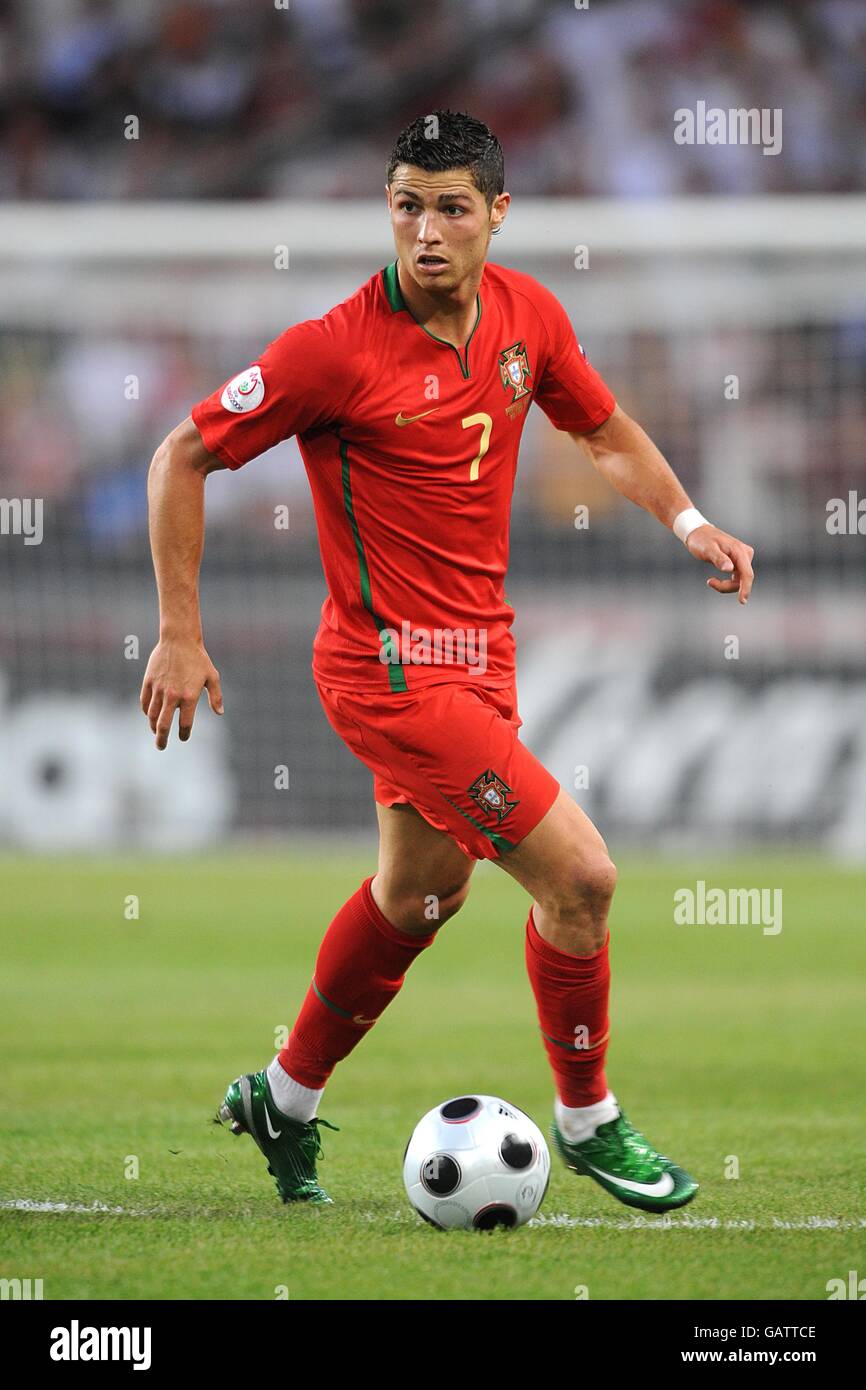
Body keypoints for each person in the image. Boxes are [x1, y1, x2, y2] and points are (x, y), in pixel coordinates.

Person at [140, 110, 754, 1213]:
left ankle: (281, 1097)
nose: (425, 232)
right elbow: (182, 452)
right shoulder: (329, 349)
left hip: (480, 659)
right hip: (387, 671)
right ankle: (587, 1122)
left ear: (495, 215)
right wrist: (181, 632)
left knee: (420, 895)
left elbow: (604, 431)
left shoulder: (529, 318)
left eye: (450, 209)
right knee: (581, 877)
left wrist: (688, 521)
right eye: (406, 206)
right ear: (389, 209)